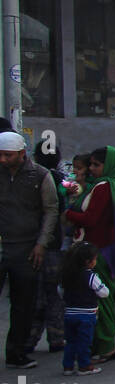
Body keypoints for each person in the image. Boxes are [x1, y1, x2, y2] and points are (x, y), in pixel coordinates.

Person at [64, 146, 115, 362]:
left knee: (98, 300)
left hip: (97, 249)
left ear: (108, 165)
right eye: (91, 164)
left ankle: (105, 346)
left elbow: (91, 219)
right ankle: (102, 345)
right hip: (103, 248)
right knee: (102, 296)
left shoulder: (104, 187)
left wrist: (68, 212)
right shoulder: (114, 185)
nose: (92, 168)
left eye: (96, 164)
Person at [1, 131, 60, 370]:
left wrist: (41, 244)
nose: (3, 160)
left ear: (21, 154)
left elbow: (51, 210)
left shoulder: (40, 175)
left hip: (27, 248)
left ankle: (16, 353)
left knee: (23, 304)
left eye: (8, 155)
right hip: (3, 245)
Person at [25, 142, 68, 357]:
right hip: (54, 243)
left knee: (37, 294)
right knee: (52, 293)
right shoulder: (60, 179)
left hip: (38, 243)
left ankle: (30, 339)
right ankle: (57, 337)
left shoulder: (36, 177)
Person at [59, 241, 109, 377]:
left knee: (71, 342)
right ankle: (84, 366)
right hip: (86, 315)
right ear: (88, 261)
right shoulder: (90, 276)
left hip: (69, 313)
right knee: (84, 343)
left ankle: (68, 366)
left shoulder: (67, 275)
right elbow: (104, 292)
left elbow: (60, 291)